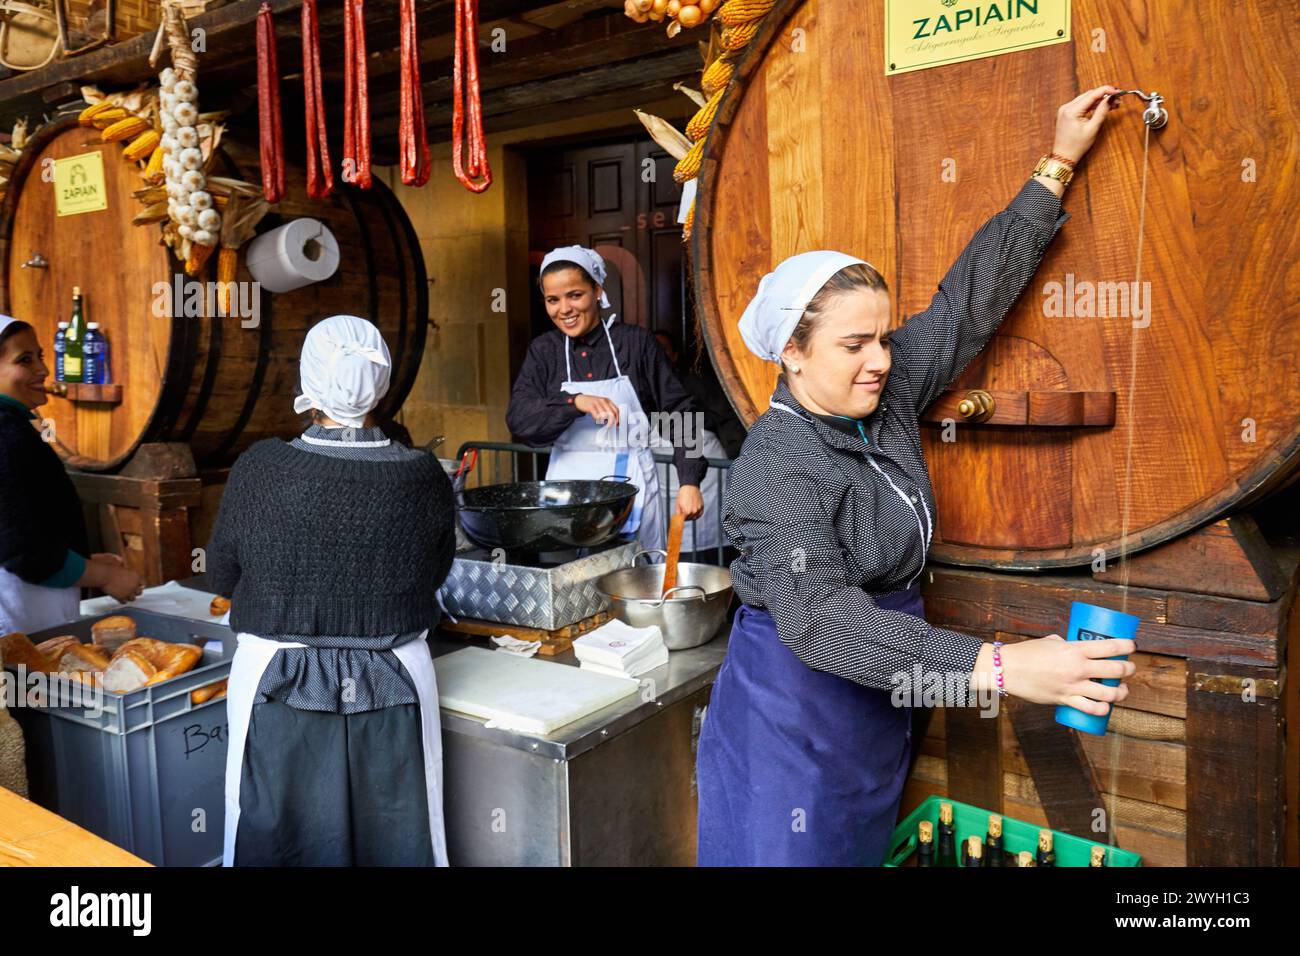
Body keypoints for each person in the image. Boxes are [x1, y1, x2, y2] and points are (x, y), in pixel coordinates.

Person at [696, 87, 1137, 866]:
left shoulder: (883, 392)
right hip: (792, 716)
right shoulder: (776, 464)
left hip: (872, 702)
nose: (882, 360)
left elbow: (966, 304)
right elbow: (822, 621)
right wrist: (1002, 667)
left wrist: (1059, 161)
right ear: (792, 354)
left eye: (884, 337)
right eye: (855, 344)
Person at [208, 315, 456, 866]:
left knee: (274, 846)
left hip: (275, 681)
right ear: (383, 383)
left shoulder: (260, 468)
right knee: (398, 843)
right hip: (395, 680)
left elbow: (222, 577)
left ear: (309, 381)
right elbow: (435, 572)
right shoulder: (422, 475)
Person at [506, 246, 704, 555]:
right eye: (552, 300)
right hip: (564, 500)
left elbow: (681, 412)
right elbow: (519, 419)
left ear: (597, 290)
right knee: (568, 589)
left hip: (631, 495)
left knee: (635, 590)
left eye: (575, 295)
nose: (564, 309)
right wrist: (575, 403)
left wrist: (689, 480)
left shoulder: (635, 344)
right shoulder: (543, 352)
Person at [0, 314, 142, 635]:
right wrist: (105, 577)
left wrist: (82, 561)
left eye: (40, 356)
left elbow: (23, 526)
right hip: (19, 622)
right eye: (25, 360)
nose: (43, 369)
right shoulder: (5, 435)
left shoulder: (16, 427)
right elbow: (25, 552)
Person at [652, 331, 740, 560]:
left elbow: (725, 417)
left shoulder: (695, 380)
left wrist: (738, 456)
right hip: (662, 469)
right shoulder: (645, 385)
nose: (658, 357)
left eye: (664, 352)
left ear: (674, 355)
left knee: (708, 539)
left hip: (705, 466)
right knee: (665, 537)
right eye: (654, 353)